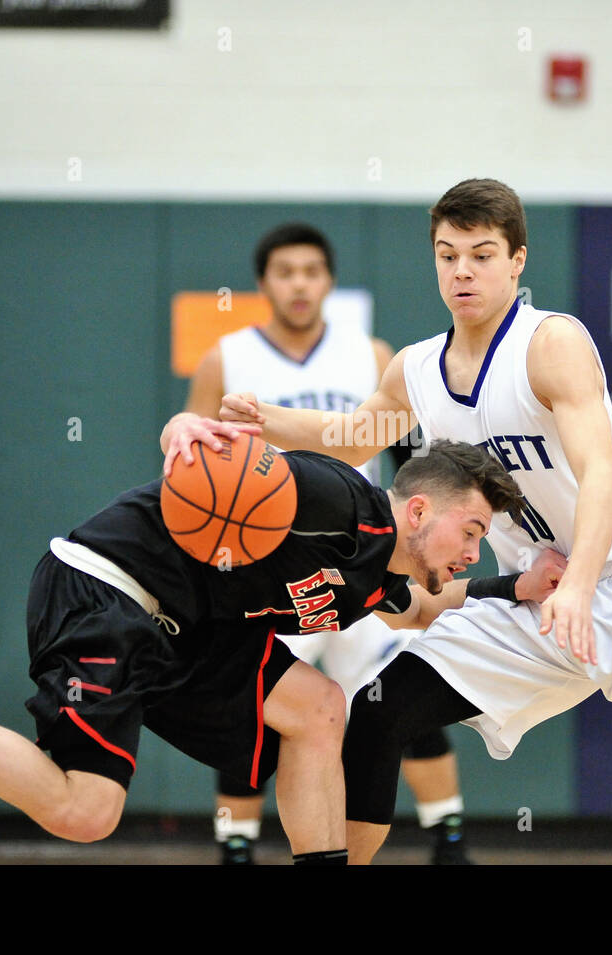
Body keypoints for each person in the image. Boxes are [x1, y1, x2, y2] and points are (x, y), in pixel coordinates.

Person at [222, 179, 612, 864]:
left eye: (481, 254)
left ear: (517, 260)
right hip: (533, 593)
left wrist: (583, 584)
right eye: (448, 255)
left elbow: (600, 471)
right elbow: (355, 434)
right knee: (379, 708)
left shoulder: (549, 343)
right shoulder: (418, 368)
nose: (462, 272)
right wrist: (265, 420)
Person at [0, 421, 558, 865]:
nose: (474, 551)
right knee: (86, 811)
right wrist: (182, 430)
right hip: (109, 589)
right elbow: (220, 454)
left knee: (321, 708)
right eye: (474, 532)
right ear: (419, 509)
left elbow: (421, 609)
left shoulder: (378, 575)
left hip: (189, 628)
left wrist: (510, 588)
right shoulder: (338, 501)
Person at [186, 222, 476, 864]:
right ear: (264, 282)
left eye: (310, 271)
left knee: (400, 698)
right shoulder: (225, 359)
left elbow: (410, 459)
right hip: (267, 566)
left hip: (360, 561)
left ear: (328, 281)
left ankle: (448, 840)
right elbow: (193, 470)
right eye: (284, 271)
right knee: (262, 707)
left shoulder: (371, 355)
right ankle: (235, 848)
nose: (298, 283)